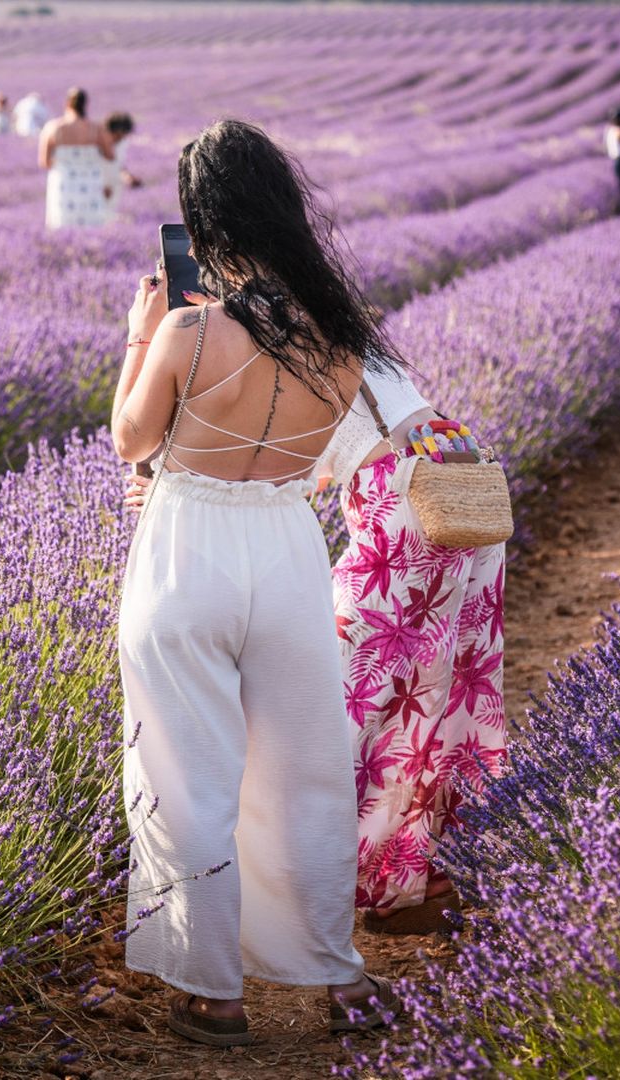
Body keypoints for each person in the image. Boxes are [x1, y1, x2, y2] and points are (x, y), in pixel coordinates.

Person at [112, 118, 400, 1048]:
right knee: (307, 773)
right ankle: (339, 980)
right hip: (285, 550)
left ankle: (215, 993)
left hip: (186, 551)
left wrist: (137, 337)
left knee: (186, 776)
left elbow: (132, 439)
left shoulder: (191, 331)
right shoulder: (343, 338)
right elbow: (312, 454)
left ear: (203, 224)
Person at [308, 355, 508, 931]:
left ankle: (340, 872)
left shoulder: (286, 337)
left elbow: (288, 471)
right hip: (459, 485)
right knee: (446, 687)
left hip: (403, 505)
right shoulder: (346, 322)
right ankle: (430, 874)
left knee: (350, 690)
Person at [39, 88, 115, 229]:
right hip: (91, 183)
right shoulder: (97, 128)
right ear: (85, 104)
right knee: (93, 224)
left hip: (64, 184)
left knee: (62, 223)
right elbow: (110, 156)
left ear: (67, 103)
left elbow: (44, 162)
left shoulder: (53, 127)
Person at [104, 111, 141, 219]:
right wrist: (101, 186)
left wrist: (128, 177)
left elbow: (119, 165)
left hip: (113, 185)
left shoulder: (122, 143)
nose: (122, 137)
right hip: (97, 186)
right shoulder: (99, 141)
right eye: (120, 134)